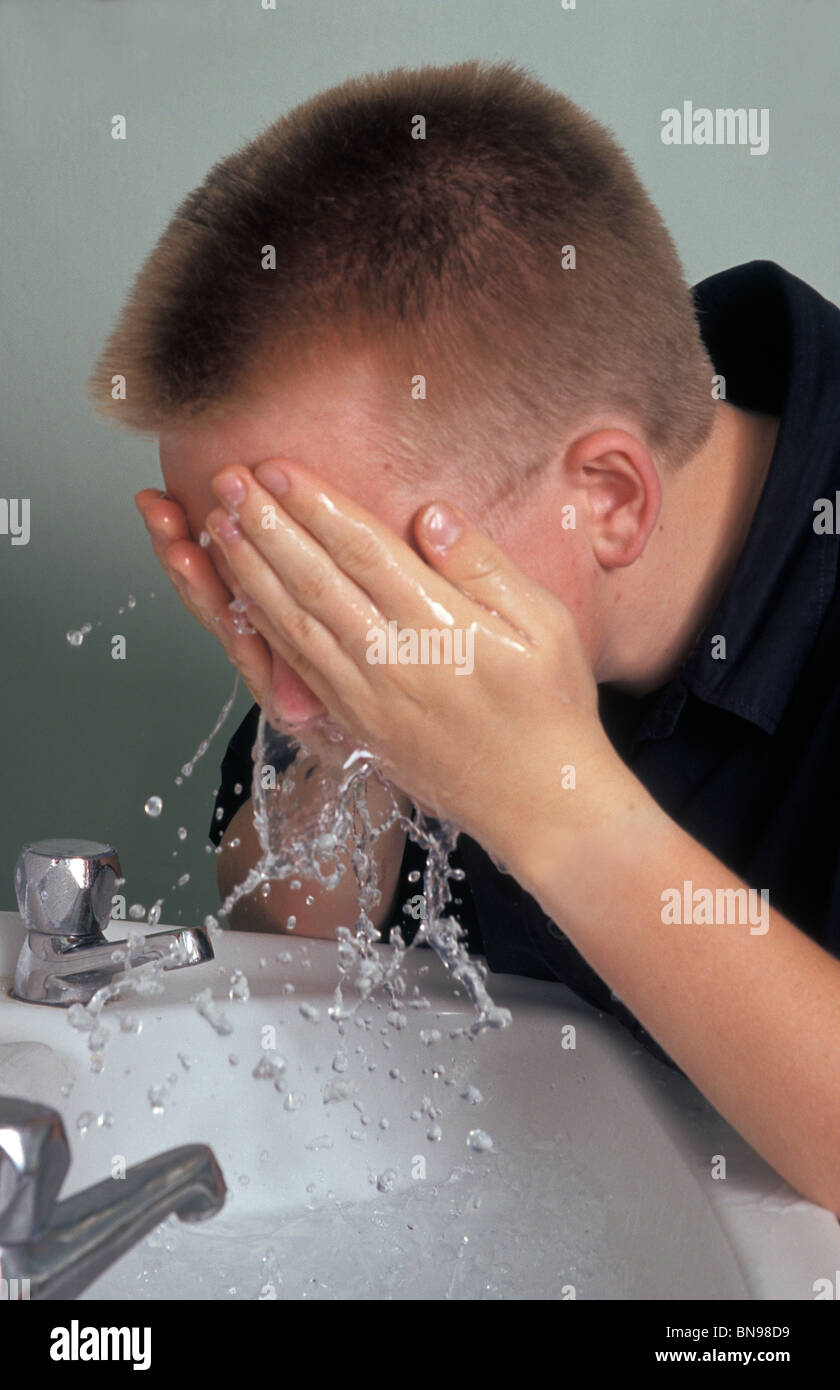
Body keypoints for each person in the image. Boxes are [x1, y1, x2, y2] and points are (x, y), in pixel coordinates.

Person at [89, 61, 840, 1212]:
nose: (305, 650)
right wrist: (339, 743)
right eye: (260, 580)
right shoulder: (459, 482)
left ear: (610, 499)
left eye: (338, 582)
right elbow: (299, 952)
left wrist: (560, 810)